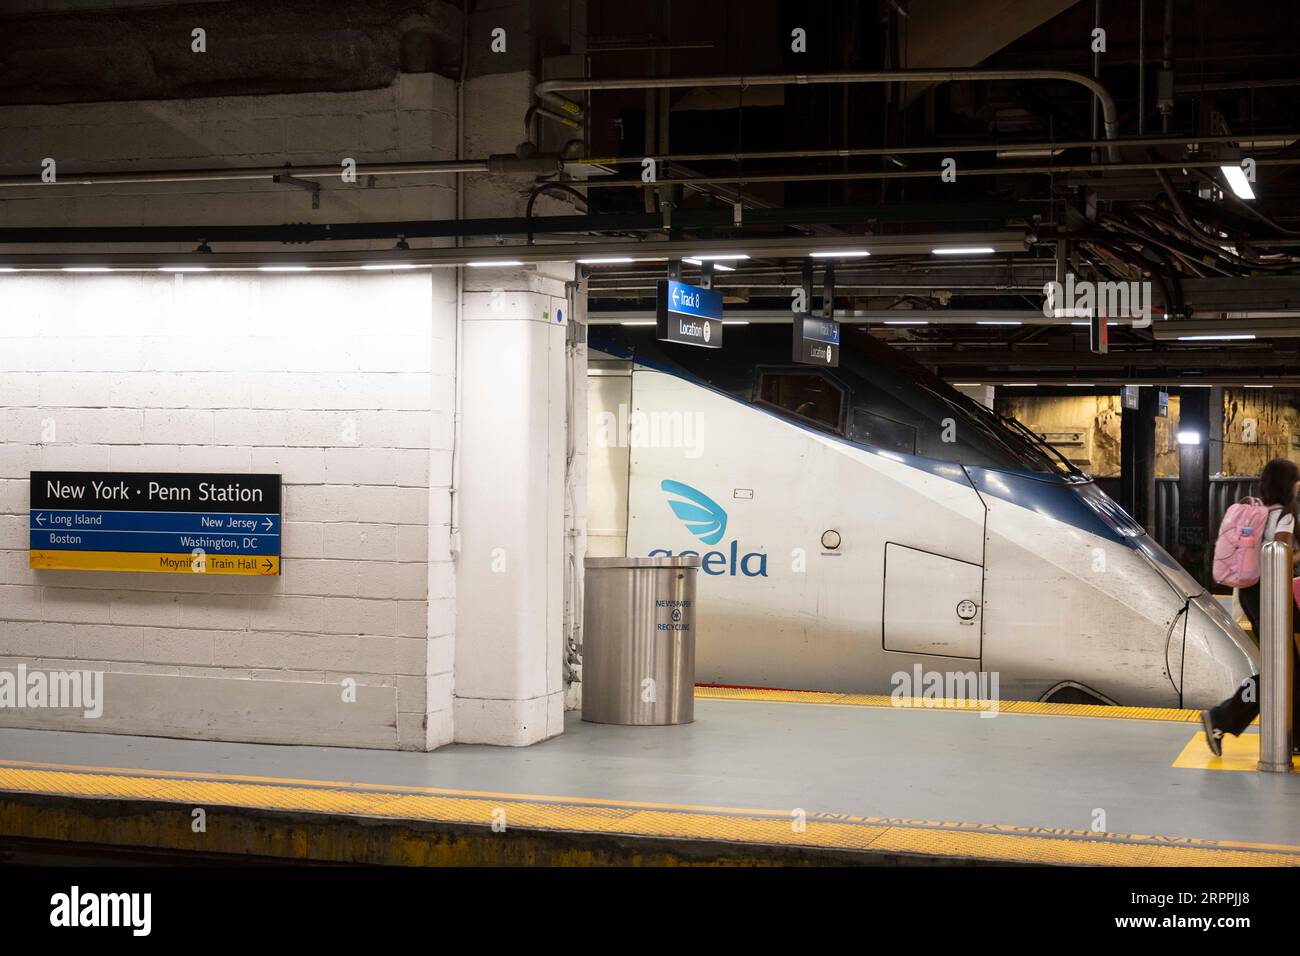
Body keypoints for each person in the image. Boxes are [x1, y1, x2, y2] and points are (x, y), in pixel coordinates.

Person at [1202, 457, 1300, 756]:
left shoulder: (1260, 512)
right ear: (1289, 485)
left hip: (1252, 594)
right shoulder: (1284, 516)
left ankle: (1294, 736)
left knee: (1286, 667)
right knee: (1281, 669)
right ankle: (1221, 717)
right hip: (1273, 596)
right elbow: (1280, 557)